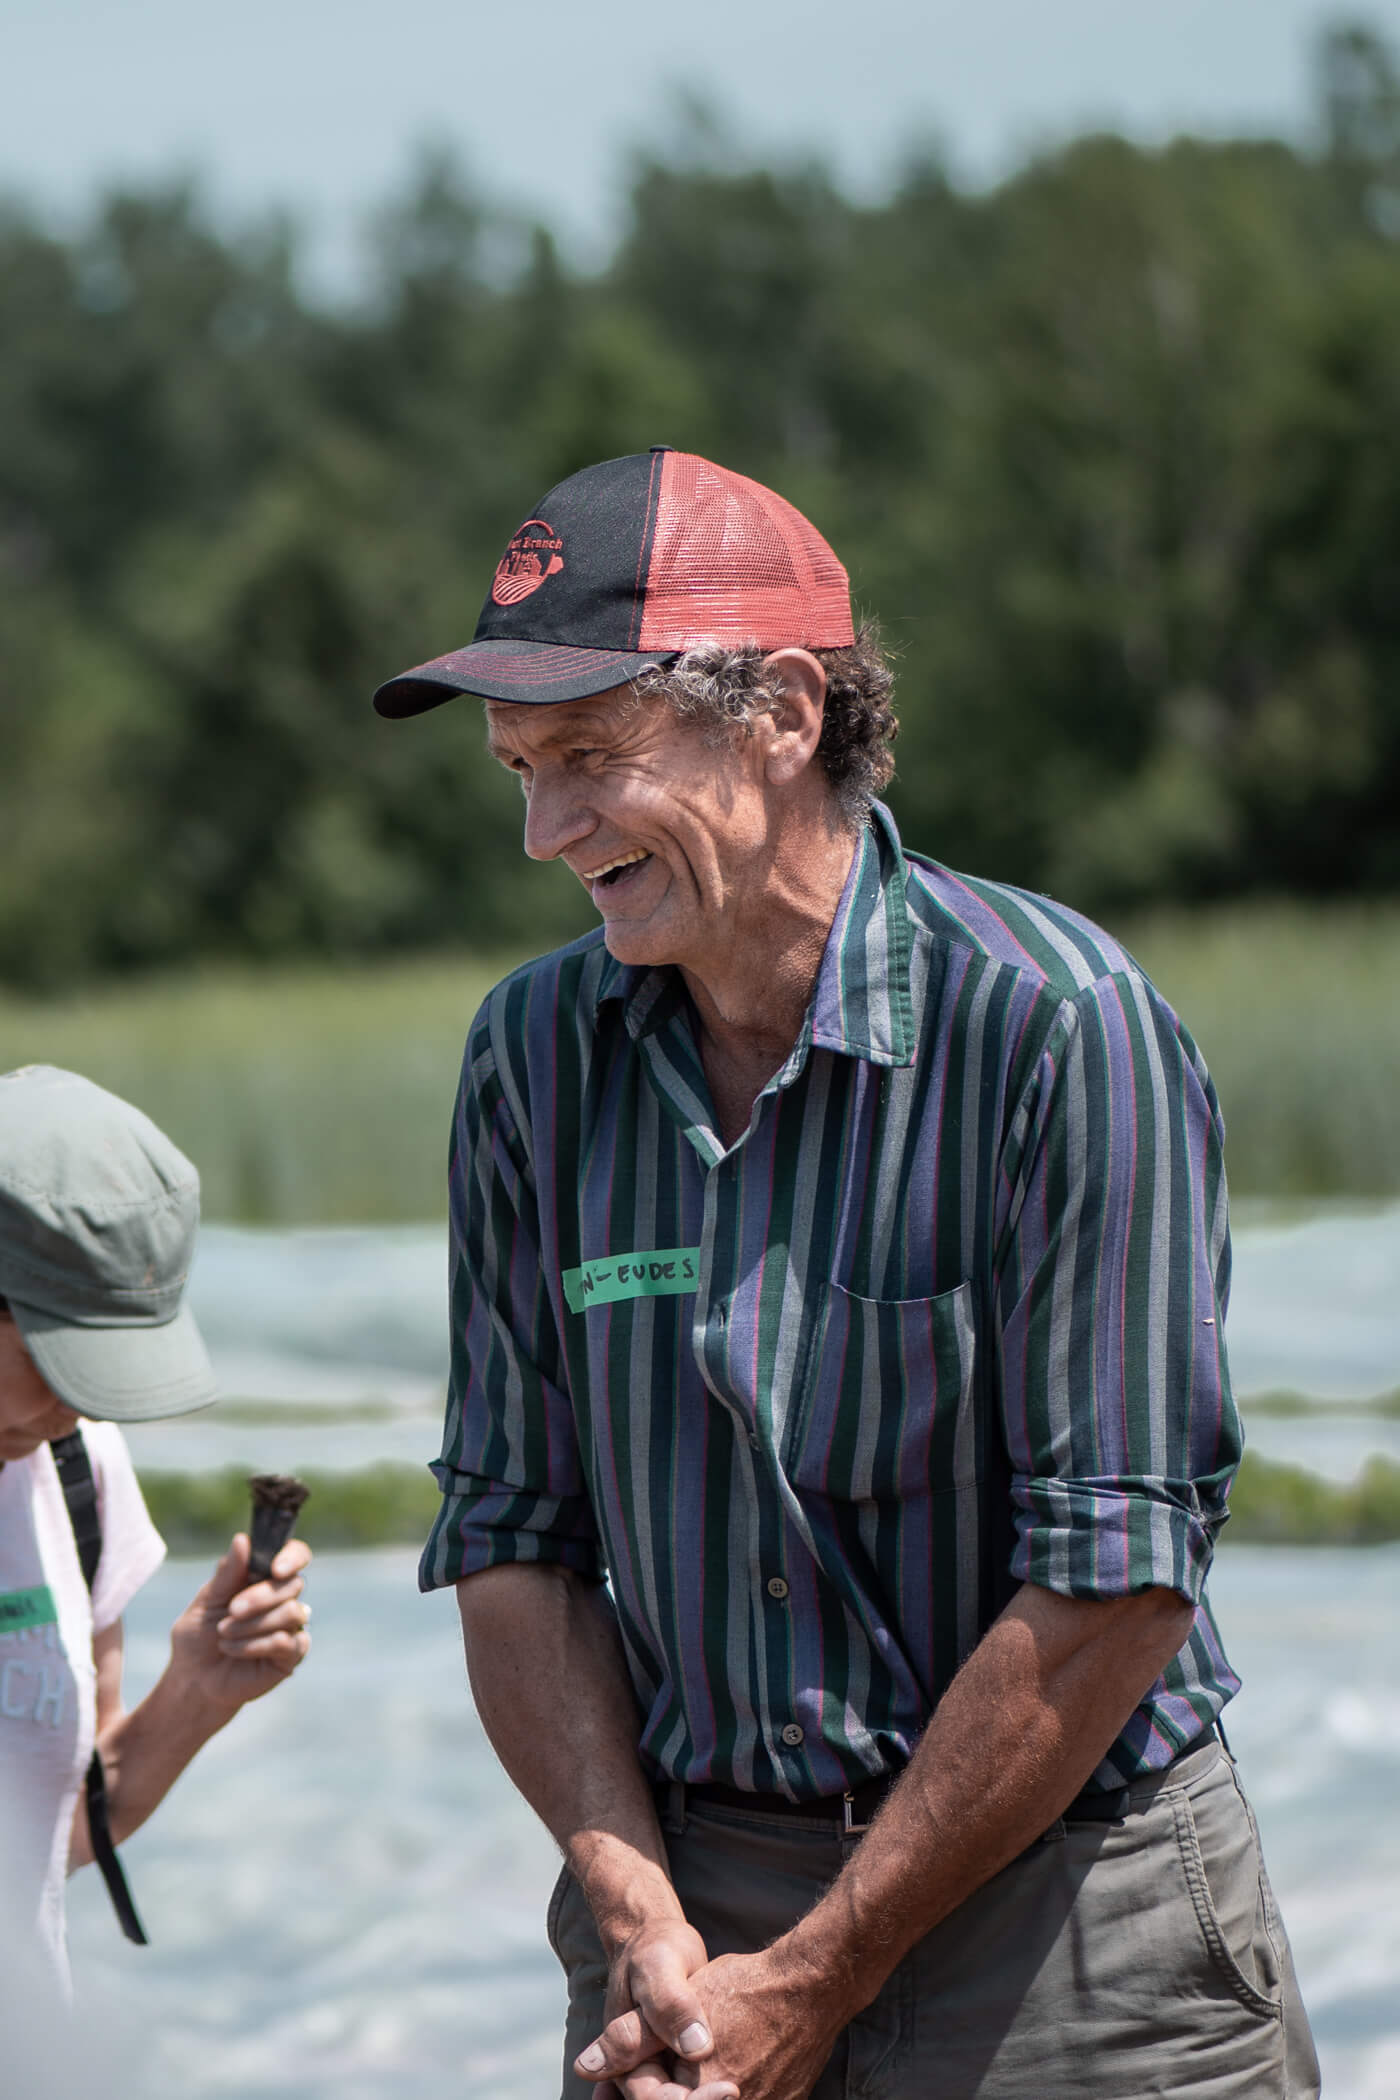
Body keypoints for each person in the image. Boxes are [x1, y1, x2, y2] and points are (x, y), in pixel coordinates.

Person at [374, 448, 1319, 2100]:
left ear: (787, 714)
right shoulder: (530, 1060)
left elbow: (1117, 1578)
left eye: (588, 755)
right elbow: (513, 1538)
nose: (543, 831)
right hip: (678, 1914)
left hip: (1074, 1927)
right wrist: (642, 1924)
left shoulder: (1057, 1031)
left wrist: (818, 1975)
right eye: (520, 769)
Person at [0, 1064, 311, 2000]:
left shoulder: (77, 1470)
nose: (80, 1401)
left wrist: (197, 1691)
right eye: (57, 1355)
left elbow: (56, 1834)